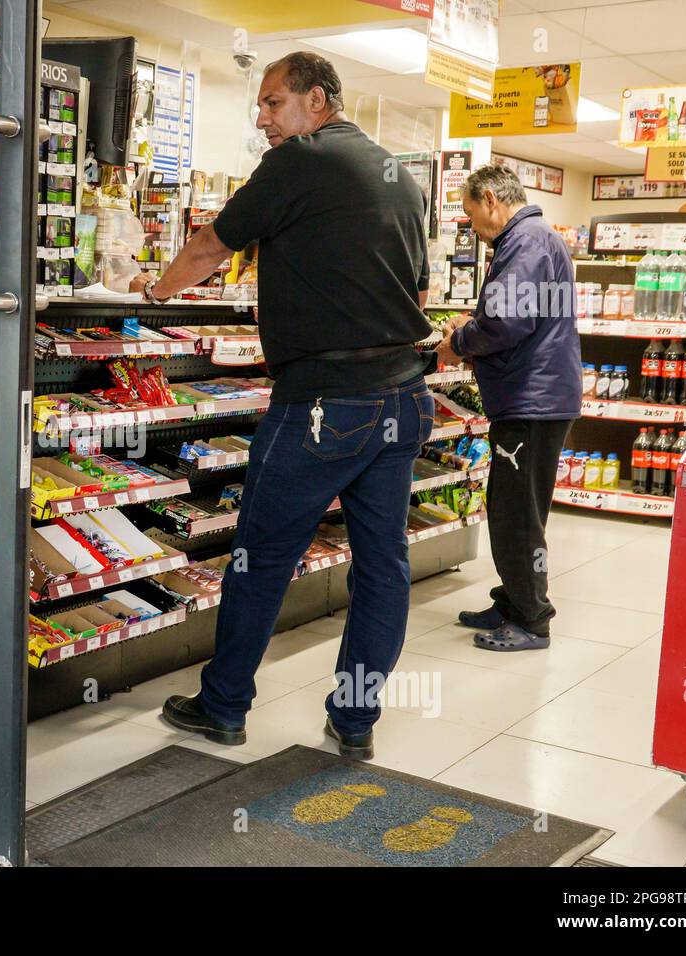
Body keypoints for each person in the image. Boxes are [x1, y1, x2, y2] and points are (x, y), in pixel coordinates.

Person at [128, 52, 434, 759]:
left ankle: (224, 705)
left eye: (272, 103)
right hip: (403, 400)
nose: (262, 119)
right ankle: (355, 721)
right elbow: (415, 294)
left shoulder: (299, 160)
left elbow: (209, 246)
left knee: (261, 558)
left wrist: (154, 292)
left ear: (317, 102)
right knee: (382, 566)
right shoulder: (399, 177)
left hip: (325, 406)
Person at [436, 164, 581, 652]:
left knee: (518, 514)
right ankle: (513, 600)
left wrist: (461, 339)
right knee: (508, 506)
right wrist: (474, 321)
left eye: (472, 214)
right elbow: (514, 314)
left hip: (531, 400)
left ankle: (531, 619)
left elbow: (505, 325)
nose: (473, 228)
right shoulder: (536, 239)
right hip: (533, 396)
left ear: (493, 198)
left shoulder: (527, 241)